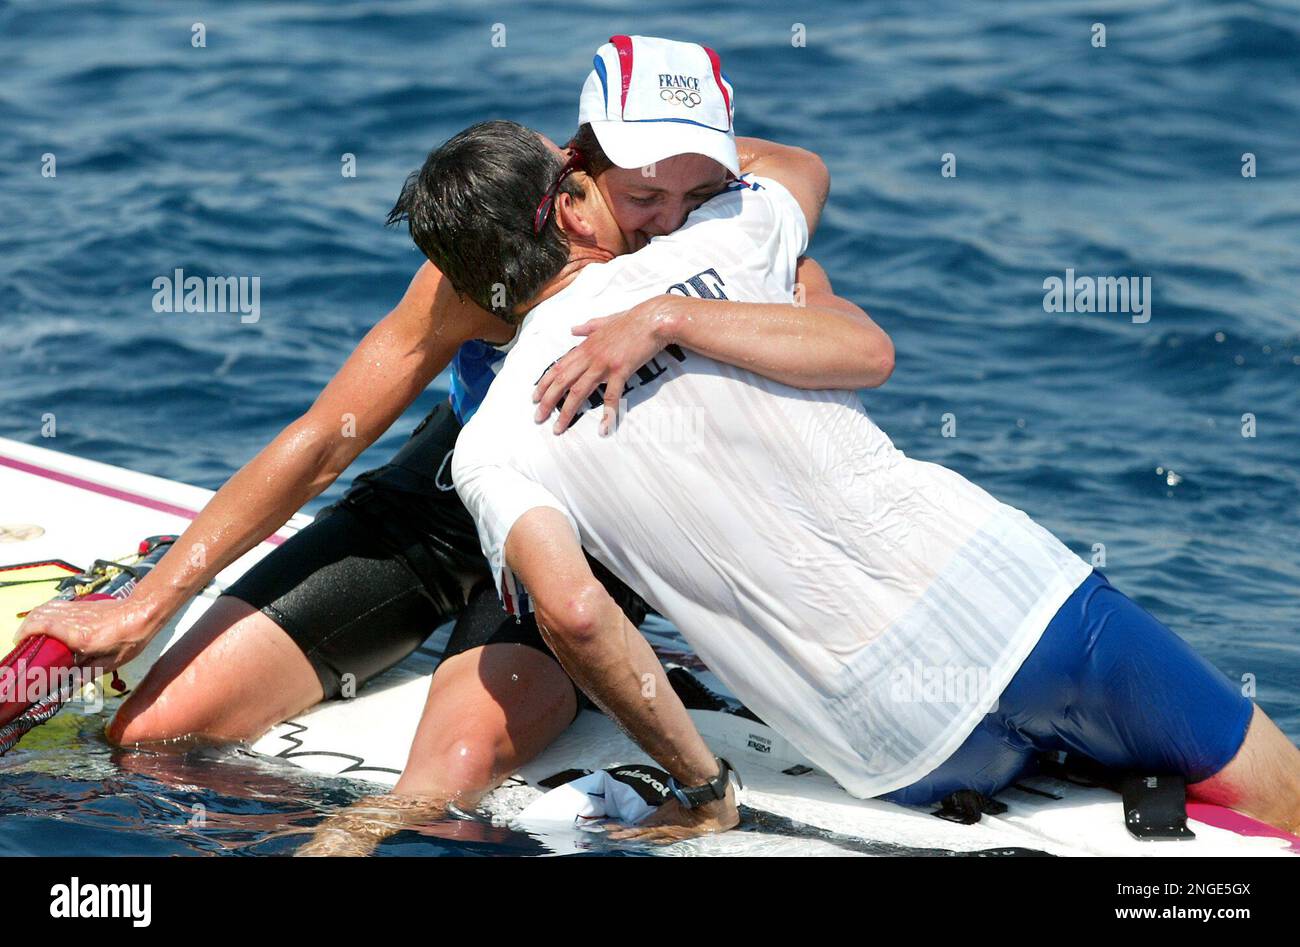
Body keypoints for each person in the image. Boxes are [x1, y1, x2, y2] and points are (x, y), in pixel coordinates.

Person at [17, 36, 882, 848]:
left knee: (442, 783)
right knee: (152, 729)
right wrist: (153, 602)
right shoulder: (495, 247)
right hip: (445, 493)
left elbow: (801, 171)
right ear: (577, 167)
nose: (670, 221)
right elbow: (326, 437)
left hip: (581, 543)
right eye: (644, 198)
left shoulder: (722, 229)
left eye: (693, 195)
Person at [438, 122, 1300, 842]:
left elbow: (579, 615)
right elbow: (799, 168)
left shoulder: (492, 442)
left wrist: (703, 789)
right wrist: (632, 139)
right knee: (1284, 790)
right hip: (1033, 615)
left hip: (896, 740)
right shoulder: (726, 236)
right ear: (565, 205)